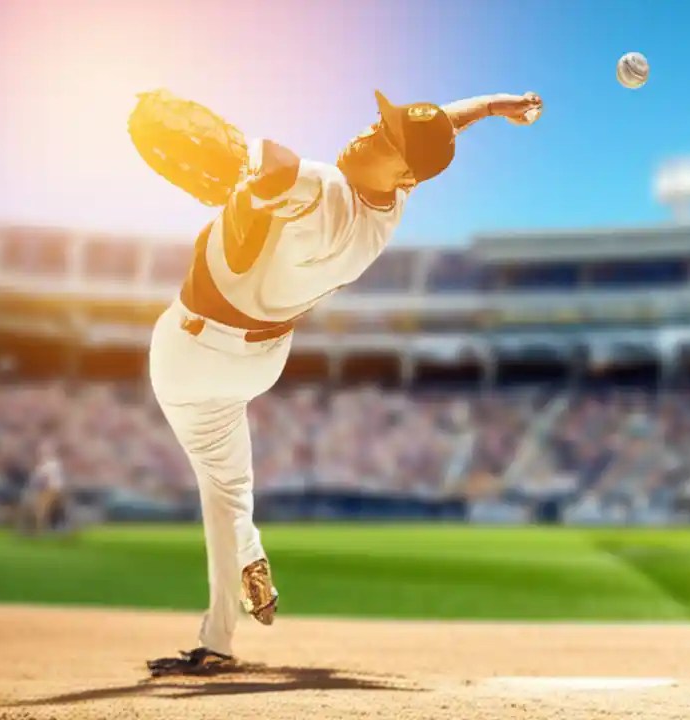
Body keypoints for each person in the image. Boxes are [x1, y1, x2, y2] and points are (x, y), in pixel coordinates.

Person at [144, 88, 543, 676]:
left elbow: (281, 168)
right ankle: (223, 623)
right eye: (382, 124)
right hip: (260, 359)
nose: (370, 132)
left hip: (191, 352)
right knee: (225, 489)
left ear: (402, 171)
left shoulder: (323, 191)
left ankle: (244, 554)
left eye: (387, 139)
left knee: (221, 483)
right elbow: (432, 135)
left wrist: (243, 165)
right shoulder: (389, 203)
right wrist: (489, 108)